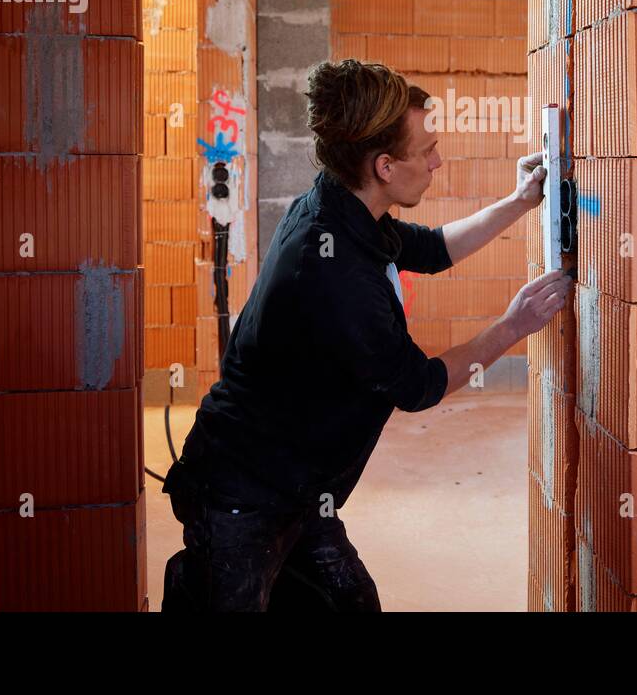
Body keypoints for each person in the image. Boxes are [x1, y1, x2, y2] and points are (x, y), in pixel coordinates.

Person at [161, 58, 571, 611]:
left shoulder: (344, 207)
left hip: (300, 491)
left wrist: (521, 200)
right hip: (244, 496)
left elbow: (429, 250)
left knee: (350, 602)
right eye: (426, 151)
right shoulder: (335, 271)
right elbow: (417, 385)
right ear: (384, 166)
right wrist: (514, 325)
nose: (437, 161)